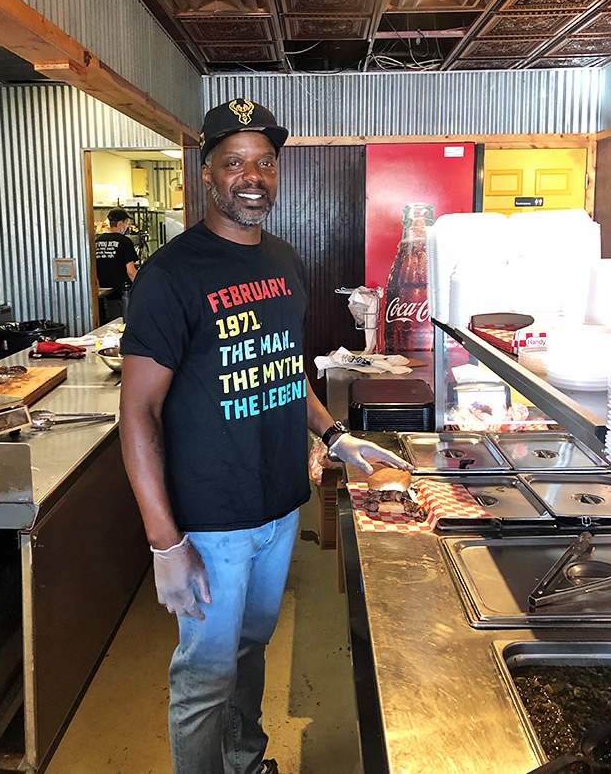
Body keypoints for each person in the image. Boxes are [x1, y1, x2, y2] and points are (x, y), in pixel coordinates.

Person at [119, 98, 413, 774]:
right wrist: (165, 542)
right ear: (207, 174)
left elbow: (283, 369)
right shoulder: (171, 275)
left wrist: (334, 436)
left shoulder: (284, 260)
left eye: (265, 162)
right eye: (234, 162)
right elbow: (137, 414)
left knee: (250, 650)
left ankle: (245, 758)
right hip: (211, 521)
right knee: (203, 677)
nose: (252, 176)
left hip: (281, 508)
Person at [95, 208, 138, 321]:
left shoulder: (98, 241)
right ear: (120, 223)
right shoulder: (124, 242)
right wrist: (140, 287)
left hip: (104, 293)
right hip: (122, 293)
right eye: (126, 222)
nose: (127, 225)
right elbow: (130, 271)